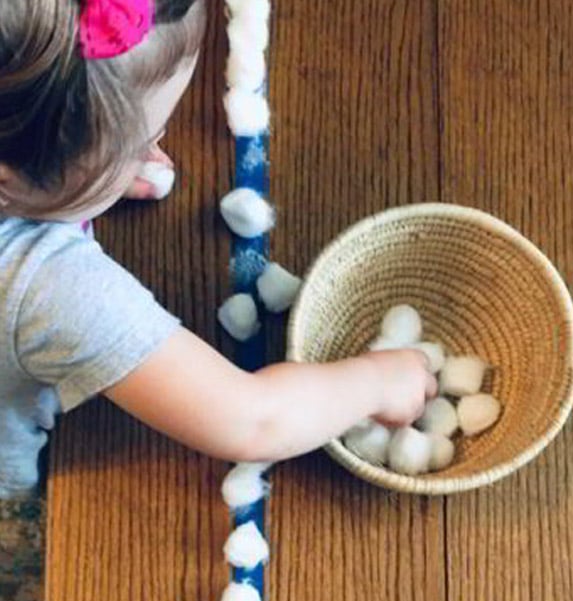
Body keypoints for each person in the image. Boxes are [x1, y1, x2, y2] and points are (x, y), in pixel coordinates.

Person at [0, 0, 436, 498]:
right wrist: (378, 382)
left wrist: (84, 177)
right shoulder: (53, 291)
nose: (154, 146)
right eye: (140, 139)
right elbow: (251, 420)